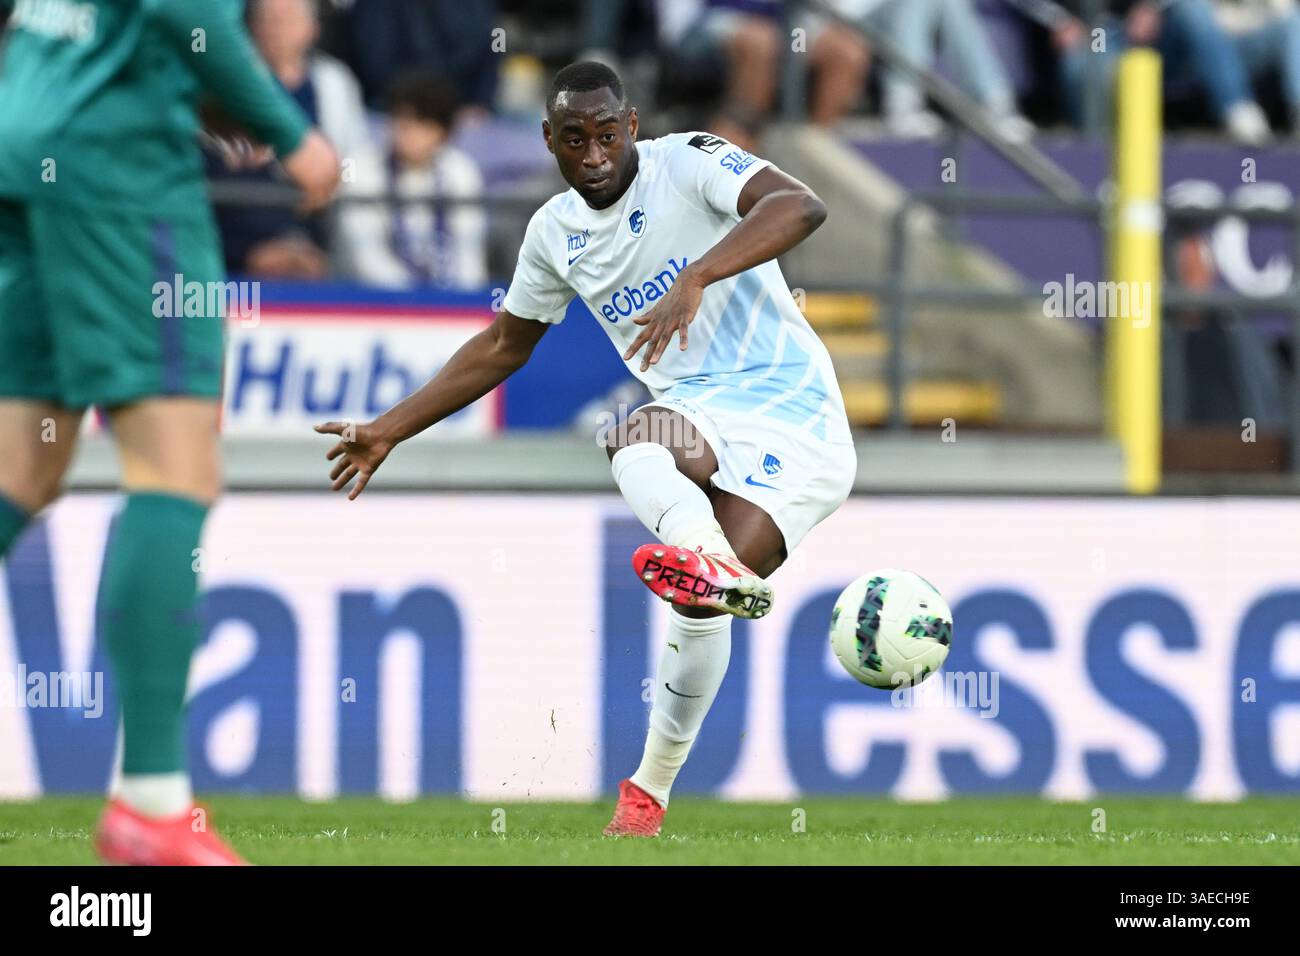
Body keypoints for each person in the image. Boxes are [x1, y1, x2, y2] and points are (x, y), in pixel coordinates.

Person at [314, 61, 856, 837]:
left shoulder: (689, 161)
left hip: (796, 412)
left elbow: (800, 205)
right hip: (699, 413)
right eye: (576, 140)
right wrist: (389, 427)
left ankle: (708, 568)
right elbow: (504, 346)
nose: (595, 154)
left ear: (631, 126)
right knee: (642, 451)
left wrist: (699, 273)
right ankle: (645, 798)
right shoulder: (553, 235)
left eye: (607, 134)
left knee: (695, 586)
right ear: (549, 141)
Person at [0, 0, 339, 864]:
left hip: (29, 137)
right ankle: (151, 801)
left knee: (19, 473)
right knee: (174, 469)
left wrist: (187, 86)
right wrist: (287, 128)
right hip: (118, 178)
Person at [337, 72, 489, 289]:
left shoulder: (462, 172)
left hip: (450, 303)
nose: (405, 132)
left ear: (443, 133)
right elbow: (367, 260)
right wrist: (416, 303)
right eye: (399, 120)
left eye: (419, 124)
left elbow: (469, 257)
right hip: (379, 303)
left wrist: (462, 303)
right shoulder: (360, 169)